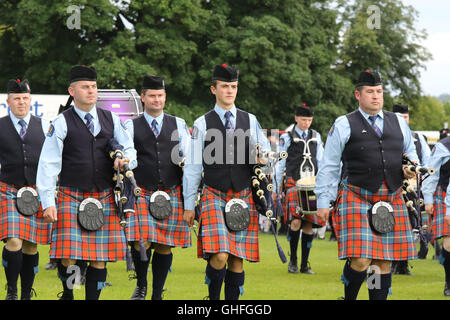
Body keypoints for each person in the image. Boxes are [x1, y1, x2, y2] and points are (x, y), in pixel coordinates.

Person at [315, 69, 419, 300]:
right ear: (358, 95)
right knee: (361, 259)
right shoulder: (343, 124)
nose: (376, 96)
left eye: (379, 91)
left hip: (391, 197)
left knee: (382, 261)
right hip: (356, 196)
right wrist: (324, 201)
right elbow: (329, 166)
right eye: (370, 92)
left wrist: (410, 166)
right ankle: (349, 297)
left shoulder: (398, 123)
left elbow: (410, 153)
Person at [36, 65, 137, 300]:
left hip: (104, 195)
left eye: (93, 87)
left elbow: (129, 147)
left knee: (99, 257)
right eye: (85, 87)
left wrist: (125, 161)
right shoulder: (61, 122)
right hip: (72, 193)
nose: (91, 91)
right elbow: (48, 164)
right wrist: (48, 201)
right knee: (69, 254)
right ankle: (69, 295)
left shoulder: (111, 118)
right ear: (72, 91)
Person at [183, 64, 270, 300]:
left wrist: (264, 159)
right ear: (213, 89)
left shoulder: (250, 120)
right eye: (224, 86)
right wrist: (189, 205)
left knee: (236, 259)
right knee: (220, 254)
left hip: (243, 195)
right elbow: (192, 167)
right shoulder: (202, 123)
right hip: (214, 193)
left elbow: (267, 154)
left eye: (233, 86)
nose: (229, 91)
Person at [124, 75, 191, 300]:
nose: (156, 100)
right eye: (152, 96)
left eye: (160, 95)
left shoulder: (178, 124)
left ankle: (156, 294)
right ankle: (141, 286)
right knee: (140, 240)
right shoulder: (130, 125)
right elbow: (128, 154)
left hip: (170, 190)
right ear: (143, 97)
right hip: (141, 190)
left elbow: (187, 154)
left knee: (164, 244)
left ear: (165, 97)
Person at [0, 79, 52, 300]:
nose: (21, 102)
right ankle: (11, 290)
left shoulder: (44, 125)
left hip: (36, 191)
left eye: (25, 98)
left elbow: (52, 160)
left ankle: (25, 294)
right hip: (7, 189)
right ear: (8, 102)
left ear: (30, 101)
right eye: (16, 99)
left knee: (31, 246)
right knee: (13, 240)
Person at [274, 104, 324, 274]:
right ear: (296, 118)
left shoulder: (316, 136)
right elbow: (280, 163)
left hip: (312, 183)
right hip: (293, 183)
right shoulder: (287, 137)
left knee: (309, 224)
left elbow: (322, 161)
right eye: (303, 120)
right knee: (295, 221)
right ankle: (293, 261)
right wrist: (275, 186)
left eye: (309, 120)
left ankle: (304, 264)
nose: (306, 123)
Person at [391, 103, 431, 274]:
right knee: (390, 224)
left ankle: (403, 265)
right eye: (399, 117)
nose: (402, 120)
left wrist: (419, 178)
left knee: (409, 225)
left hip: (411, 189)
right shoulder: (385, 136)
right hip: (391, 187)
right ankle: (390, 263)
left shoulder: (417, 137)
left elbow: (427, 162)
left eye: (405, 117)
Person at [422, 135, 450, 296]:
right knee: (449, 242)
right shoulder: (443, 146)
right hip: (444, 194)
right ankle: (449, 282)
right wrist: (428, 199)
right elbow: (432, 173)